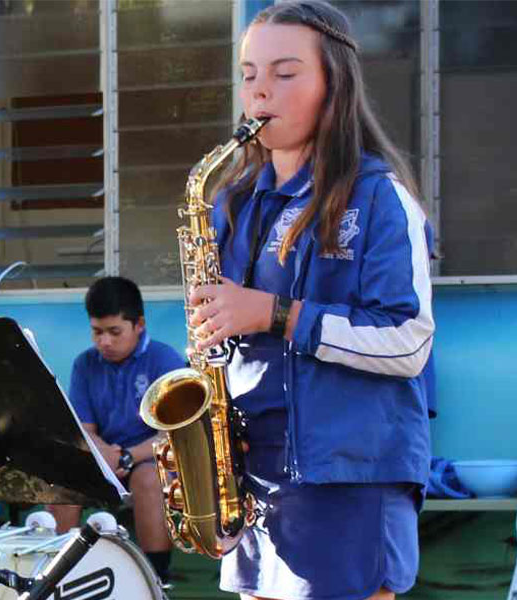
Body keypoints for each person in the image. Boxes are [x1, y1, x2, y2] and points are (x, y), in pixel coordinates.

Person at [186, 3, 435, 598]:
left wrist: (276, 313)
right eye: (249, 74)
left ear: (334, 83)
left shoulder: (381, 198)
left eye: (285, 72)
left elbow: (408, 342)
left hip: (348, 480)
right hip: (256, 482)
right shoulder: (230, 203)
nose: (260, 91)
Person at [48, 277, 187, 583]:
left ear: (139, 325)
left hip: (153, 459)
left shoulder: (165, 361)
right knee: (63, 477)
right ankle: (58, 574)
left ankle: (155, 577)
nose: (104, 342)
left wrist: (125, 457)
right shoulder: (85, 365)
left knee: (148, 478)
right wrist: (104, 455)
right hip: (105, 460)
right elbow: (84, 430)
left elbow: (176, 435)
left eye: (114, 332)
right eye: (97, 332)